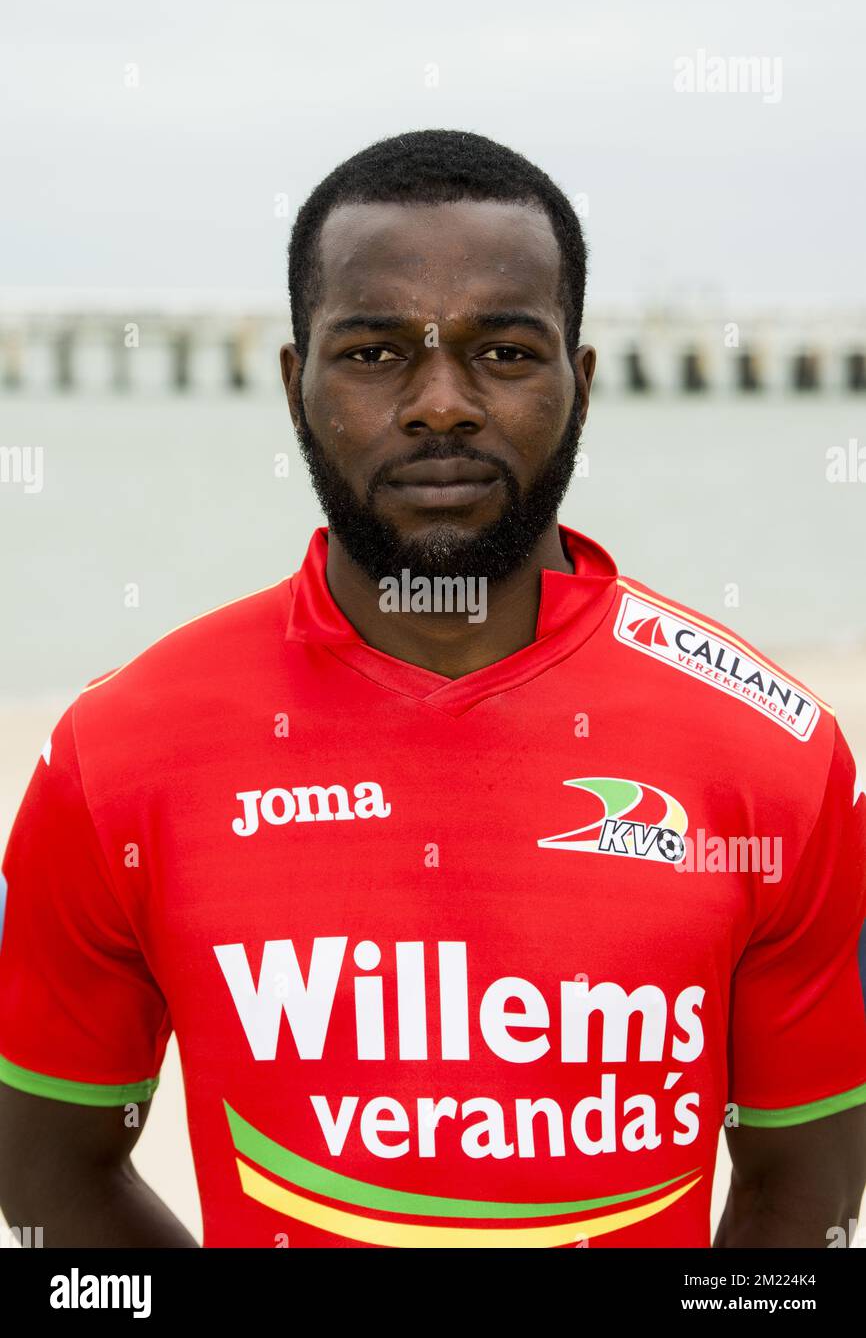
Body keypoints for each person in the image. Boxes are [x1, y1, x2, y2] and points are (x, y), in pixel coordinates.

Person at [0, 129, 864, 1249]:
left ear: (581, 382)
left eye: (502, 352)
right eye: (371, 354)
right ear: (292, 384)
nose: (441, 404)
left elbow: (804, 1194)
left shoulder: (773, 754)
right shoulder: (115, 755)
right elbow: (45, 1178)